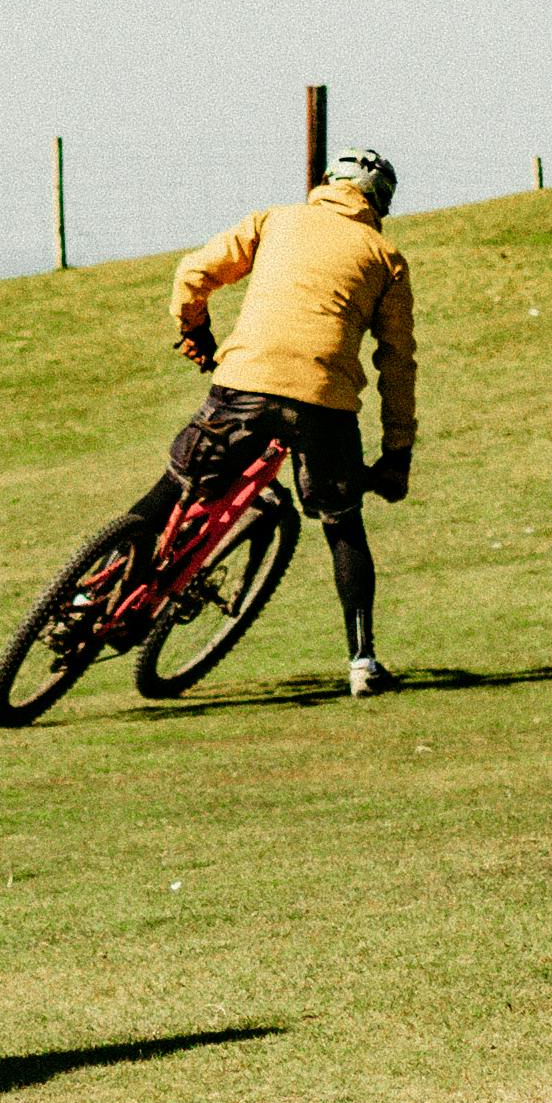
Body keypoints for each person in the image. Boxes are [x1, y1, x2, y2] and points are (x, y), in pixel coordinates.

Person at [81, 143, 417, 692]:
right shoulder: (386, 258)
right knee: (341, 521)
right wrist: (397, 451)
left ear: (327, 182)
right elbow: (397, 363)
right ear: (379, 203)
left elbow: (194, 272)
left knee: (177, 484)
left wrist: (194, 331)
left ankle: (82, 593)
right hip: (323, 404)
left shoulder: (275, 221)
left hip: (244, 384)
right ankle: (363, 663)